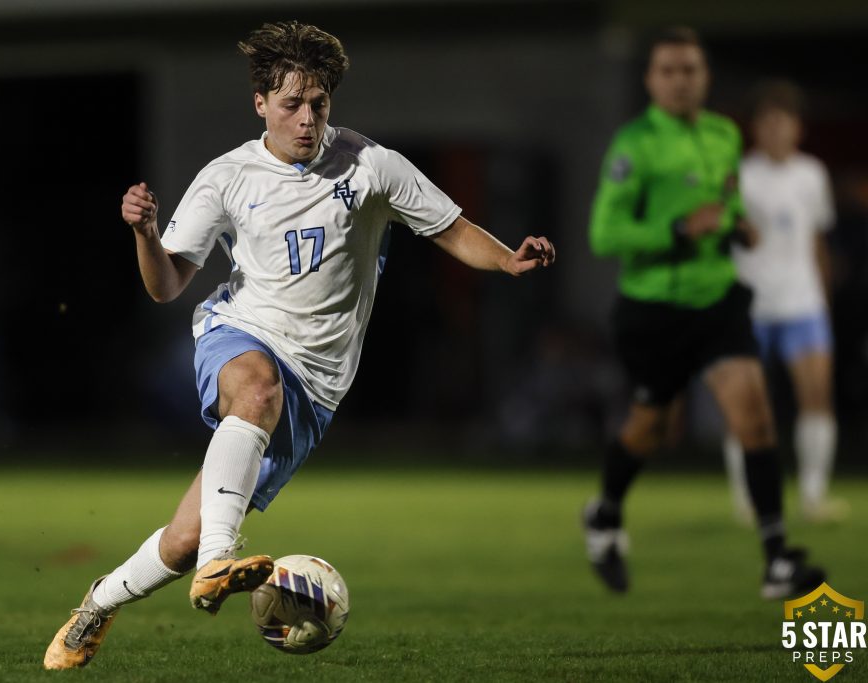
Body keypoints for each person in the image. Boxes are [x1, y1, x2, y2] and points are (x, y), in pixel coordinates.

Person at [43, 20, 554, 670]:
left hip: (317, 386)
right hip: (240, 335)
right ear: (261, 103)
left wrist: (508, 260)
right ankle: (217, 565)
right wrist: (145, 234)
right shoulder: (226, 178)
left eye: (319, 104)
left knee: (183, 534)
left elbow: (452, 229)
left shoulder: (372, 166)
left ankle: (100, 600)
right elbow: (166, 284)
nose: (307, 119)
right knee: (256, 388)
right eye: (291, 105)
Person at [581, 26, 825, 600]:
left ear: (705, 77)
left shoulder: (722, 135)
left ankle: (776, 558)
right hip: (653, 310)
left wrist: (738, 224)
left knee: (755, 418)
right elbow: (603, 233)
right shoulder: (634, 144)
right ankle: (605, 514)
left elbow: (729, 200)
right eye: (668, 70)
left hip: (717, 299)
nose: (680, 80)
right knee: (653, 428)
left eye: (690, 70)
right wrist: (675, 228)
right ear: (651, 80)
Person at [723, 80, 844, 524]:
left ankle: (813, 494)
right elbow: (724, 235)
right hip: (752, 305)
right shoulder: (739, 175)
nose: (775, 130)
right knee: (748, 404)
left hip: (803, 303)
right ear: (756, 128)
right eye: (767, 122)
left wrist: (824, 297)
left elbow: (817, 241)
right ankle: (746, 498)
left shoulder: (812, 174)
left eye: (783, 122)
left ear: (797, 128)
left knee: (816, 396)